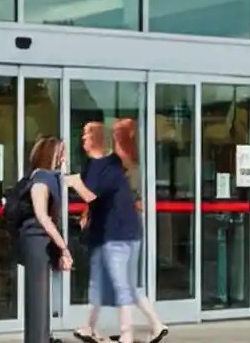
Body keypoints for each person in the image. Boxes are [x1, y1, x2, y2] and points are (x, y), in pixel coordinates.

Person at [72, 119, 167, 343]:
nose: (82, 138)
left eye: (87, 134)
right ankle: (90, 327)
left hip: (117, 234)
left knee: (121, 284)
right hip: (110, 233)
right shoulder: (101, 164)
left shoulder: (109, 165)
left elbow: (90, 194)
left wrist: (71, 181)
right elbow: (97, 198)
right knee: (103, 282)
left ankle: (127, 334)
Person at [21, 136, 73, 343]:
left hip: (42, 241)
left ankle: (42, 337)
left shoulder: (50, 177)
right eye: (62, 152)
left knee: (42, 298)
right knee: (38, 299)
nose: (64, 156)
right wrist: (63, 246)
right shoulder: (41, 179)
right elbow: (42, 216)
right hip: (36, 240)